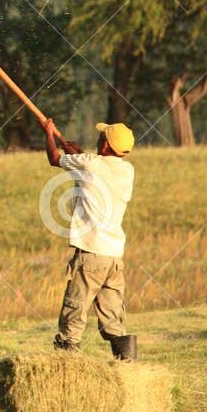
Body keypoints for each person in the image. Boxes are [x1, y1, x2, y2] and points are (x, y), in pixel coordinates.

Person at [43, 118, 137, 360]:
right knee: (113, 317)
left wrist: (49, 133)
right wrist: (79, 154)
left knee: (74, 310)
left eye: (101, 137)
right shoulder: (127, 170)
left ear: (105, 146)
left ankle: (67, 361)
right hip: (114, 257)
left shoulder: (89, 164)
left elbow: (54, 159)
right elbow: (96, 167)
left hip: (91, 254)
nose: (98, 139)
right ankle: (128, 365)